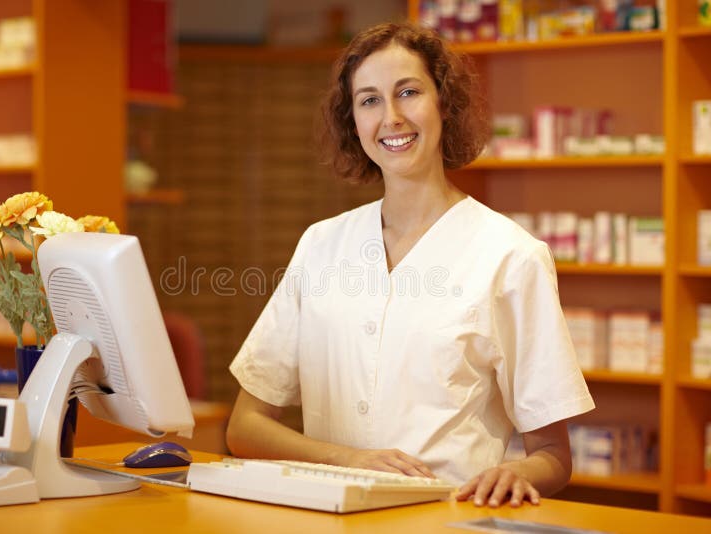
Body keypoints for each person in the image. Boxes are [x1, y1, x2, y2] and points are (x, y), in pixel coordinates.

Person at [226, 21, 595, 508]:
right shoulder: (321, 245)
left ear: (444, 103)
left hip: (445, 518)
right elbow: (245, 428)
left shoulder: (510, 255)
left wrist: (512, 473)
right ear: (353, 122)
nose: (392, 117)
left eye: (408, 92)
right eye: (370, 100)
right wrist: (347, 459)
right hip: (324, 517)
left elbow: (552, 455)